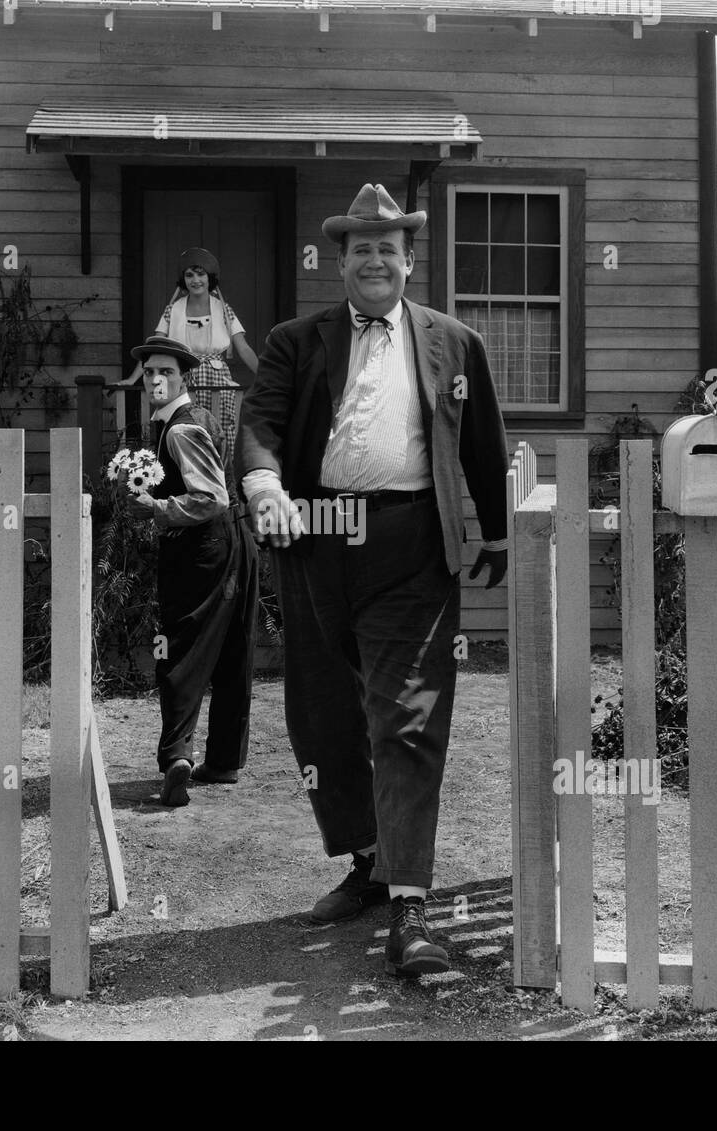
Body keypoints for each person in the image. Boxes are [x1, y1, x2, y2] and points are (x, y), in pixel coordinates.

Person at [235, 183, 509, 976]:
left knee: (408, 718)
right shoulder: (296, 340)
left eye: (388, 248)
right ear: (341, 262)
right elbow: (261, 421)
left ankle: (410, 910)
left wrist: (490, 533)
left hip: (411, 546)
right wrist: (264, 487)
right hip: (313, 541)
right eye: (361, 249)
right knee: (323, 717)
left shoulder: (455, 344)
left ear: (408, 260)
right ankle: (366, 861)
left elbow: (485, 445)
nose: (375, 261)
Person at [126, 333, 259, 806]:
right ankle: (222, 762)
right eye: (150, 373)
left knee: (182, 646)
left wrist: (156, 508)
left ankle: (177, 755)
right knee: (229, 649)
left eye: (166, 372)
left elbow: (210, 497)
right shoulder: (176, 422)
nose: (157, 379)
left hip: (206, 544)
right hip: (230, 539)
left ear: (183, 378)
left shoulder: (181, 428)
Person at [129, 248, 260, 474]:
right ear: (183, 279)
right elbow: (155, 348)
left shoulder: (224, 310)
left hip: (218, 379)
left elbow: (244, 348)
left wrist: (266, 375)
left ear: (210, 278)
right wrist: (132, 378)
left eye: (201, 274)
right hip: (185, 377)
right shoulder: (173, 310)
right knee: (187, 426)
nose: (196, 280)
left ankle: (223, 482)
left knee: (221, 429)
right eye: (190, 275)